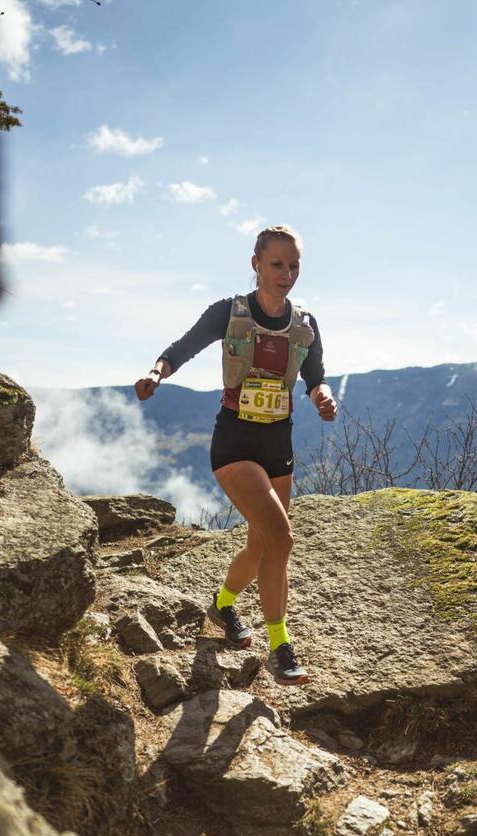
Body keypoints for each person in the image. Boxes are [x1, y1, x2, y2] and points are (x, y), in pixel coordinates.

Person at [134, 225, 338, 686]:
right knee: (281, 538)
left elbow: (316, 377)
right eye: (277, 264)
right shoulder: (230, 312)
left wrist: (323, 397)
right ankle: (280, 647)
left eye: (294, 266)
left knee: (261, 544)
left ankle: (223, 605)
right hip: (235, 442)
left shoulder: (305, 323)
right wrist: (156, 373)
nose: (287, 274)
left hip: (278, 443)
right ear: (256, 264)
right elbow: (181, 348)